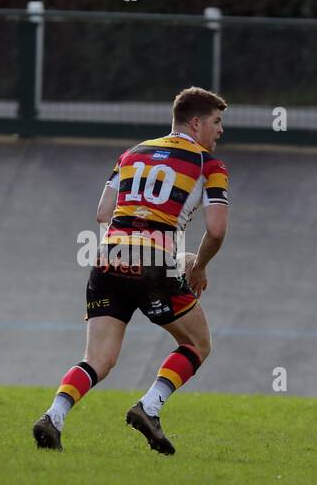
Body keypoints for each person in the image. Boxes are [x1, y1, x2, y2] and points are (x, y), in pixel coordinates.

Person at [33, 87, 230, 454]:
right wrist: (196, 264)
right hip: (153, 263)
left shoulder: (132, 153)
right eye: (217, 122)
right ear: (195, 122)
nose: (220, 131)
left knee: (98, 359)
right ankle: (149, 407)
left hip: (108, 258)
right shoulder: (209, 165)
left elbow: (103, 213)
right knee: (197, 343)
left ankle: (54, 415)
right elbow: (217, 230)